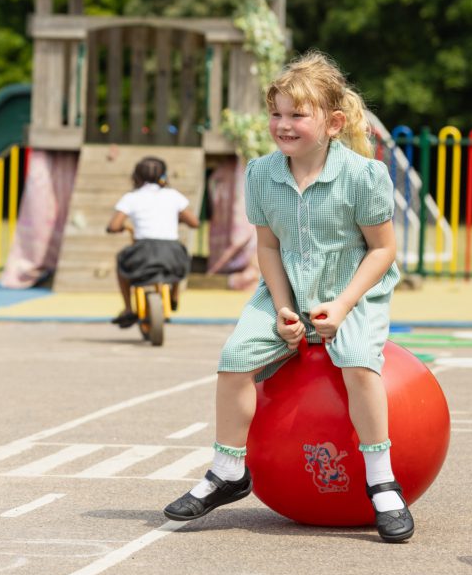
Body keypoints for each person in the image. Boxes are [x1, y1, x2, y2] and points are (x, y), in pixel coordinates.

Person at [162, 51, 413, 543]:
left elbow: (383, 251)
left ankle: (381, 478)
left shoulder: (363, 176)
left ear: (333, 122)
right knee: (234, 356)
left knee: (359, 360)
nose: (283, 124)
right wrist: (281, 307)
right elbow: (268, 245)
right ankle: (228, 471)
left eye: (297, 114)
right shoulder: (260, 174)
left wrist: (340, 307)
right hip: (285, 288)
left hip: (351, 289)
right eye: (276, 113)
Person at [106, 156, 199, 328]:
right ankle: (175, 295)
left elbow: (113, 225)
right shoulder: (173, 195)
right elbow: (194, 222)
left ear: (137, 177)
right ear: (163, 176)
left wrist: (121, 228)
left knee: (121, 260)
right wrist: (176, 220)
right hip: (171, 251)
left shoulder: (131, 197)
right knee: (182, 255)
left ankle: (128, 308)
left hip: (143, 251)